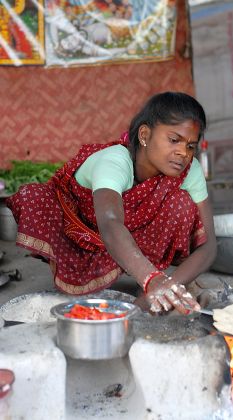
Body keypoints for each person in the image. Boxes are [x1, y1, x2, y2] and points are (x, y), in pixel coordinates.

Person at [7, 91, 216, 315]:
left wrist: (167, 287)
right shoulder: (115, 160)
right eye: (174, 140)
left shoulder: (189, 169)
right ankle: (141, 275)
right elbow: (110, 222)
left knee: (181, 204)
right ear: (145, 135)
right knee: (36, 197)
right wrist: (151, 279)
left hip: (130, 236)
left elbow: (209, 246)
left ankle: (148, 280)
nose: (183, 153)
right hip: (86, 234)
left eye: (191, 145)